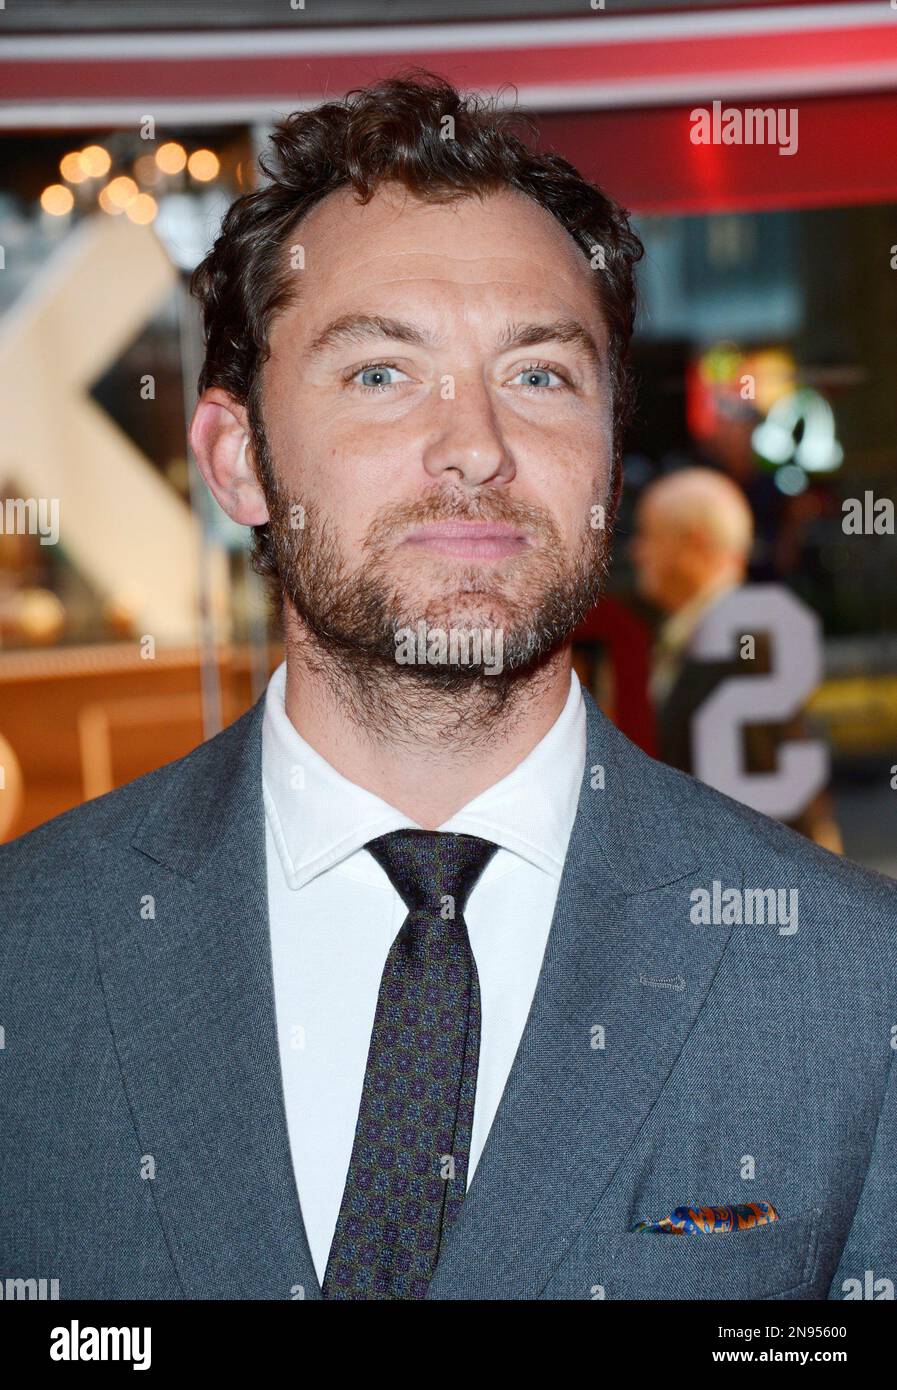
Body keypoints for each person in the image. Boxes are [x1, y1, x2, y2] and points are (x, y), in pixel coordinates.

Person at [1, 73, 895, 1302]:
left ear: (608, 455)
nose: (474, 441)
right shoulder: (30, 954)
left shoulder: (852, 984)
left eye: (539, 375)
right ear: (237, 457)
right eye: (379, 372)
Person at [631, 467, 842, 850]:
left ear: (693, 545)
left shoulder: (739, 647)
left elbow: (775, 813)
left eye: (648, 534)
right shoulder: (717, 633)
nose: (636, 550)